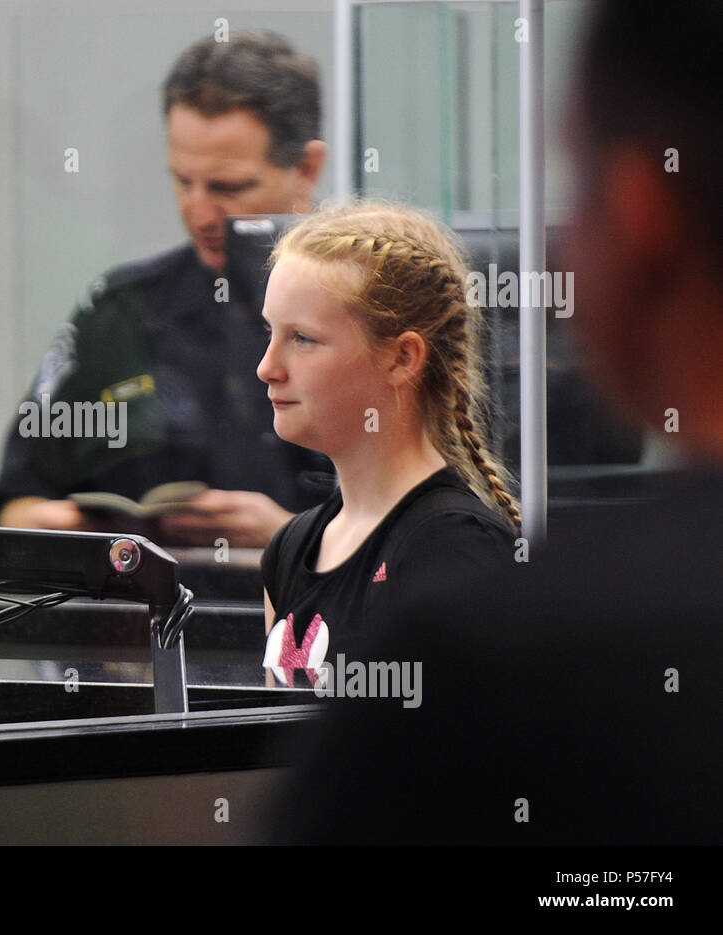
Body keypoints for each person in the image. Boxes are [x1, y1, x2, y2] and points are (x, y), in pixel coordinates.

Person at [267, 0, 723, 844]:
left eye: (571, 181)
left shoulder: (491, 620)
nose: (268, 368)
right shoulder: (304, 550)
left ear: (638, 215)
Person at [0, 30, 332, 548]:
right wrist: (58, 529)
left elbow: (435, 538)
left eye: (227, 187)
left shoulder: (371, 313)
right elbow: (10, 503)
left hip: (311, 622)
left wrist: (289, 540)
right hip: (136, 621)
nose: (199, 213)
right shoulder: (121, 310)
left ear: (306, 169)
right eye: (182, 181)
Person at [257, 203, 519, 687]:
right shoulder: (290, 550)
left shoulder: (452, 549)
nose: (267, 367)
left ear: (402, 358)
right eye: (271, 332)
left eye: (302, 339)